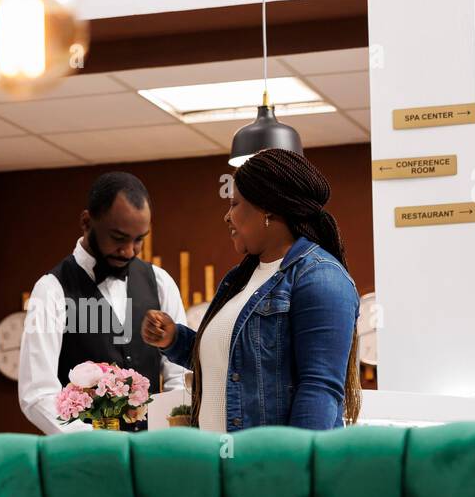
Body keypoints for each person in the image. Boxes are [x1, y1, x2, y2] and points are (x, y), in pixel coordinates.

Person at [141, 148, 360, 431]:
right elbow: (233, 363)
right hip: (221, 461)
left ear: (268, 208)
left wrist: (295, 468)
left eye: (235, 204)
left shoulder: (321, 277)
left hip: (269, 467)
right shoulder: (240, 278)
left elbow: (319, 389)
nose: (227, 216)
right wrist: (174, 339)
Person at [19, 172, 187, 434]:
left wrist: (170, 432)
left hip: (152, 456)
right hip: (82, 460)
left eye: (139, 239)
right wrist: (94, 444)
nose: (130, 251)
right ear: (87, 222)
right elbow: (37, 393)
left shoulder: (160, 282)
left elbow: (180, 376)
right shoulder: (51, 290)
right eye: (119, 238)